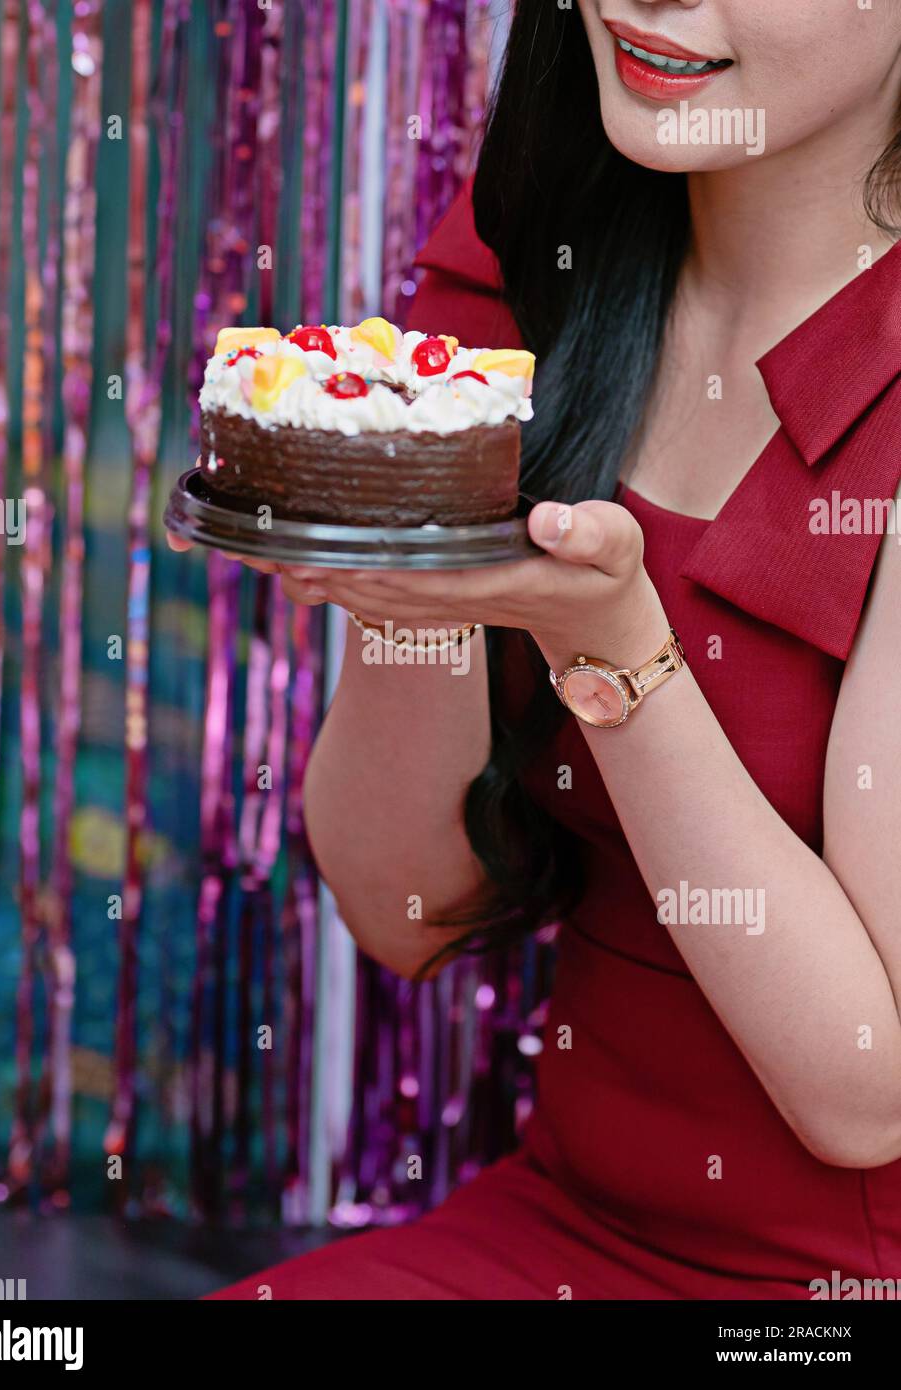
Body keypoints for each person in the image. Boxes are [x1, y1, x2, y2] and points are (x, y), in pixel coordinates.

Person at [190, 1, 901, 1298]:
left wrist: (615, 648)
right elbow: (411, 911)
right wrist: (407, 576)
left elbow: (864, 1095)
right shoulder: (527, 259)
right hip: (562, 1226)